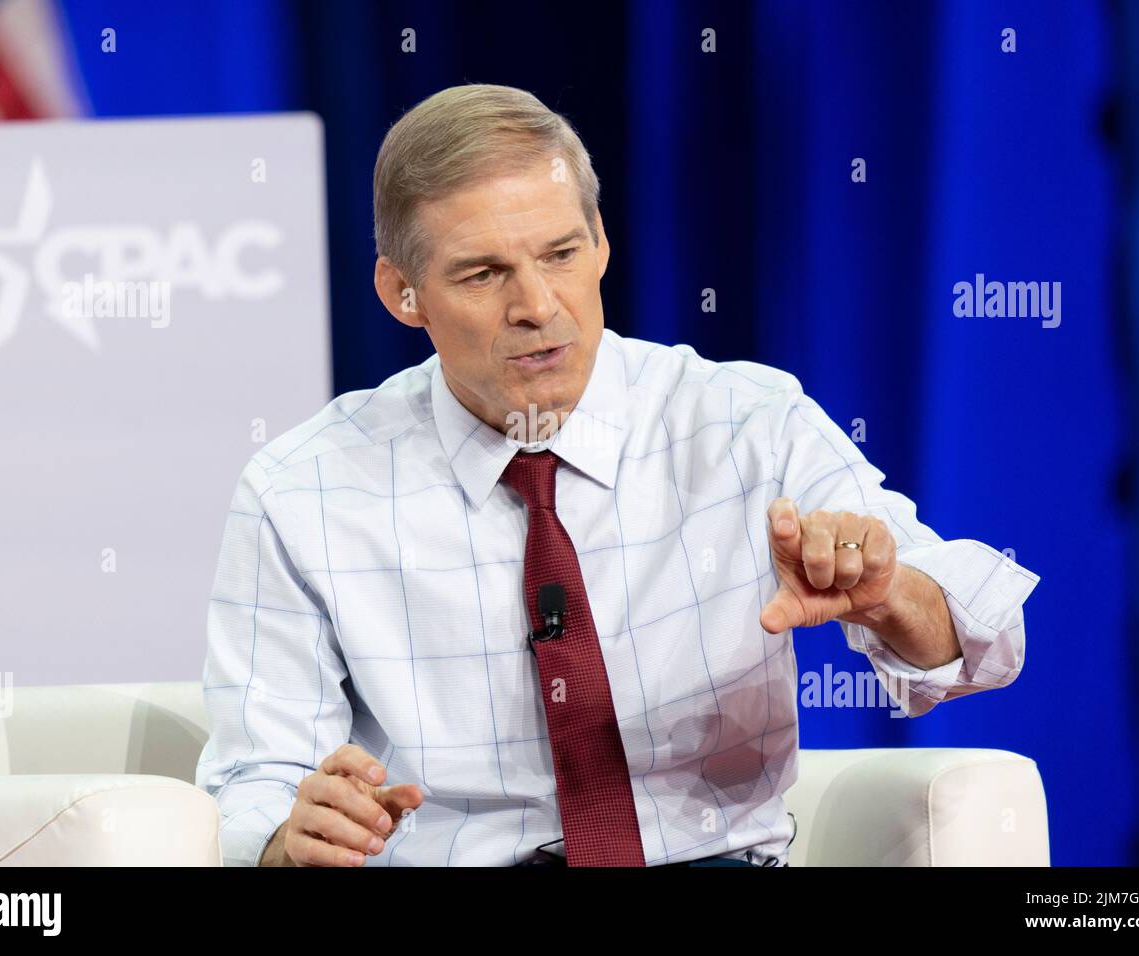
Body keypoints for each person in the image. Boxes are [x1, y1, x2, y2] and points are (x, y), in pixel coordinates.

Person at [195, 83, 1039, 868]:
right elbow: (254, 776)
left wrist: (888, 594)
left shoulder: (743, 423)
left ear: (601, 243)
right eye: (483, 274)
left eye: (561, 253)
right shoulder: (302, 490)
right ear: (401, 292)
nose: (537, 305)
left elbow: (982, 642)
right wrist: (287, 837)